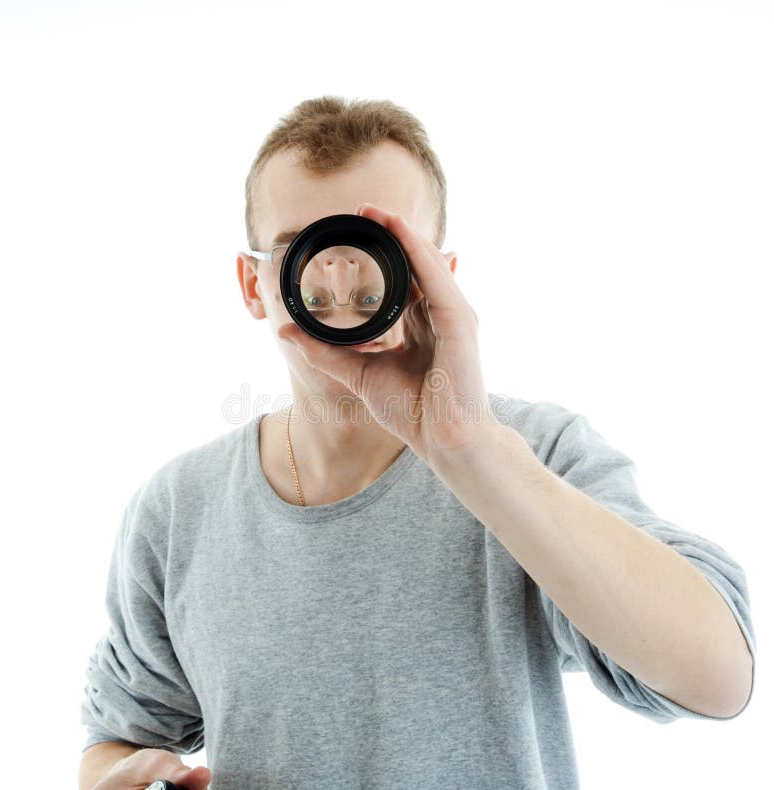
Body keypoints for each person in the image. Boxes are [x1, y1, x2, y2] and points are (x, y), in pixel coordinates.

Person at [79, 96, 756, 790]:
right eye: (304, 252)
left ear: (438, 278)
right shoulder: (178, 508)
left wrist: (471, 450)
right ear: (256, 283)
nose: (343, 281)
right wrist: (121, 778)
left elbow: (719, 679)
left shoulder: (532, 453)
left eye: (384, 251)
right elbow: (119, 735)